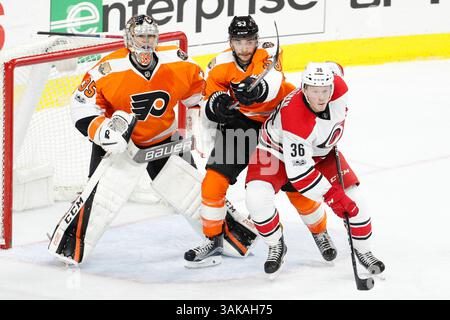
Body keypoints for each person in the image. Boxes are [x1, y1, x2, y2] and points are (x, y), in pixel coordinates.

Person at [48, 14, 256, 265]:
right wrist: (103, 132)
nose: (146, 42)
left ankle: (232, 236)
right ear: (129, 38)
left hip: (165, 139)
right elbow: (81, 106)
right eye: (140, 36)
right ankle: (68, 246)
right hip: (120, 146)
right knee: (98, 199)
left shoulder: (179, 62)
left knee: (195, 193)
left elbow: (199, 94)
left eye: (150, 36)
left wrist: (214, 104)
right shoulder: (108, 69)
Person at [184, 16, 337, 268]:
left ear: (256, 40)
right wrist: (217, 106)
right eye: (239, 42)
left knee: (295, 188)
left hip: (281, 123)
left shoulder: (269, 51)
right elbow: (210, 97)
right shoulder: (219, 64)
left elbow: (273, 82)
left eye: (249, 41)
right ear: (230, 42)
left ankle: (320, 232)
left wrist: (257, 90)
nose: (245, 48)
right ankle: (212, 239)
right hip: (243, 125)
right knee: (213, 182)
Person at [245, 62, 386, 276]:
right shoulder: (296, 117)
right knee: (256, 198)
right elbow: (300, 176)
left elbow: (335, 67)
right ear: (304, 88)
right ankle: (276, 244)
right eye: (314, 91)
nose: (321, 97)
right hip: (274, 152)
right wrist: (334, 197)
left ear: (332, 86)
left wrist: (343, 198)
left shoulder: (338, 87)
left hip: (321, 152)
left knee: (356, 199)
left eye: (325, 91)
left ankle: (364, 251)